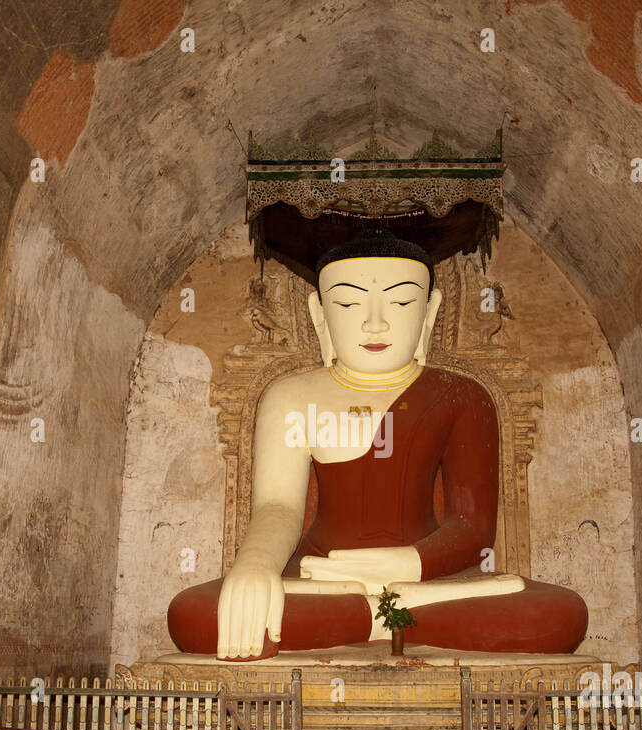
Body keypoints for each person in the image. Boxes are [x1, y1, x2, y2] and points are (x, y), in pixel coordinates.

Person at [168, 230, 588, 660]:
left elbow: (473, 528)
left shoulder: (462, 396)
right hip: (322, 579)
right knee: (196, 614)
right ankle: (392, 618)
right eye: (348, 303)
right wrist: (255, 567)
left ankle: (369, 616)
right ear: (320, 315)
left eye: (402, 302)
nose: (374, 322)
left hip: (429, 581)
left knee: (559, 613)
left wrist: (404, 566)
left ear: (429, 313)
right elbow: (278, 507)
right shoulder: (289, 396)